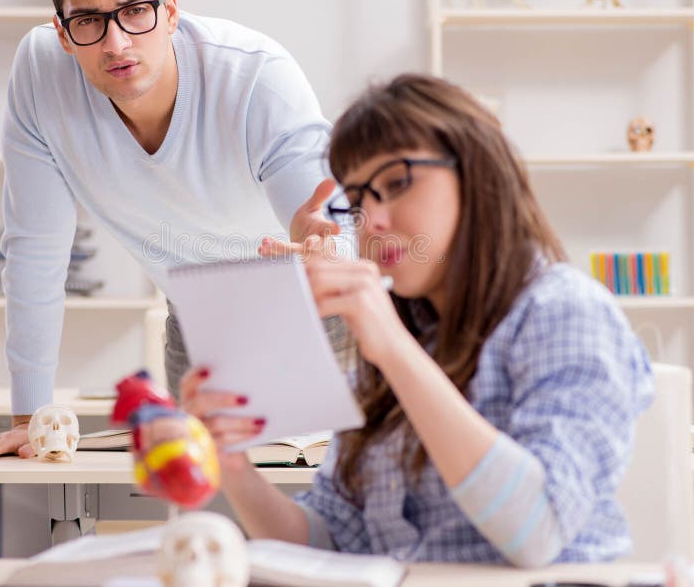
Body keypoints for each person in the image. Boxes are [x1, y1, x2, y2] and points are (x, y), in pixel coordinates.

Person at [174, 73, 654, 566]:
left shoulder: (563, 311)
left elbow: (537, 532)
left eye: (397, 183)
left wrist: (393, 347)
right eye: (357, 200)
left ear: (477, 174)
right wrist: (231, 464)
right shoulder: (394, 347)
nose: (372, 220)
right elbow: (328, 541)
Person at [0, 0, 345, 462]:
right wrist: (31, 419)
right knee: (210, 519)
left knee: (338, 513)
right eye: (88, 20)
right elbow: (37, 247)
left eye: (136, 12)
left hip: (319, 309)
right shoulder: (41, 74)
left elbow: (312, 205)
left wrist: (323, 236)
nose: (117, 42)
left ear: (171, 11)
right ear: (62, 33)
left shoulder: (254, 76)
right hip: (198, 316)